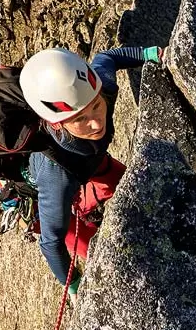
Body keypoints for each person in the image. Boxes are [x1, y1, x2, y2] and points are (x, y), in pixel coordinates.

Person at [19, 44, 163, 298]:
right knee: (101, 252)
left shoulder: (97, 90)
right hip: (56, 180)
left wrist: (151, 54)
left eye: (97, 106)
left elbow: (107, 58)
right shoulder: (56, 177)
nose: (97, 122)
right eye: (80, 119)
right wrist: (73, 285)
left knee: (144, 193)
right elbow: (51, 243)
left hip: (93, 163)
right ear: (57, 123)